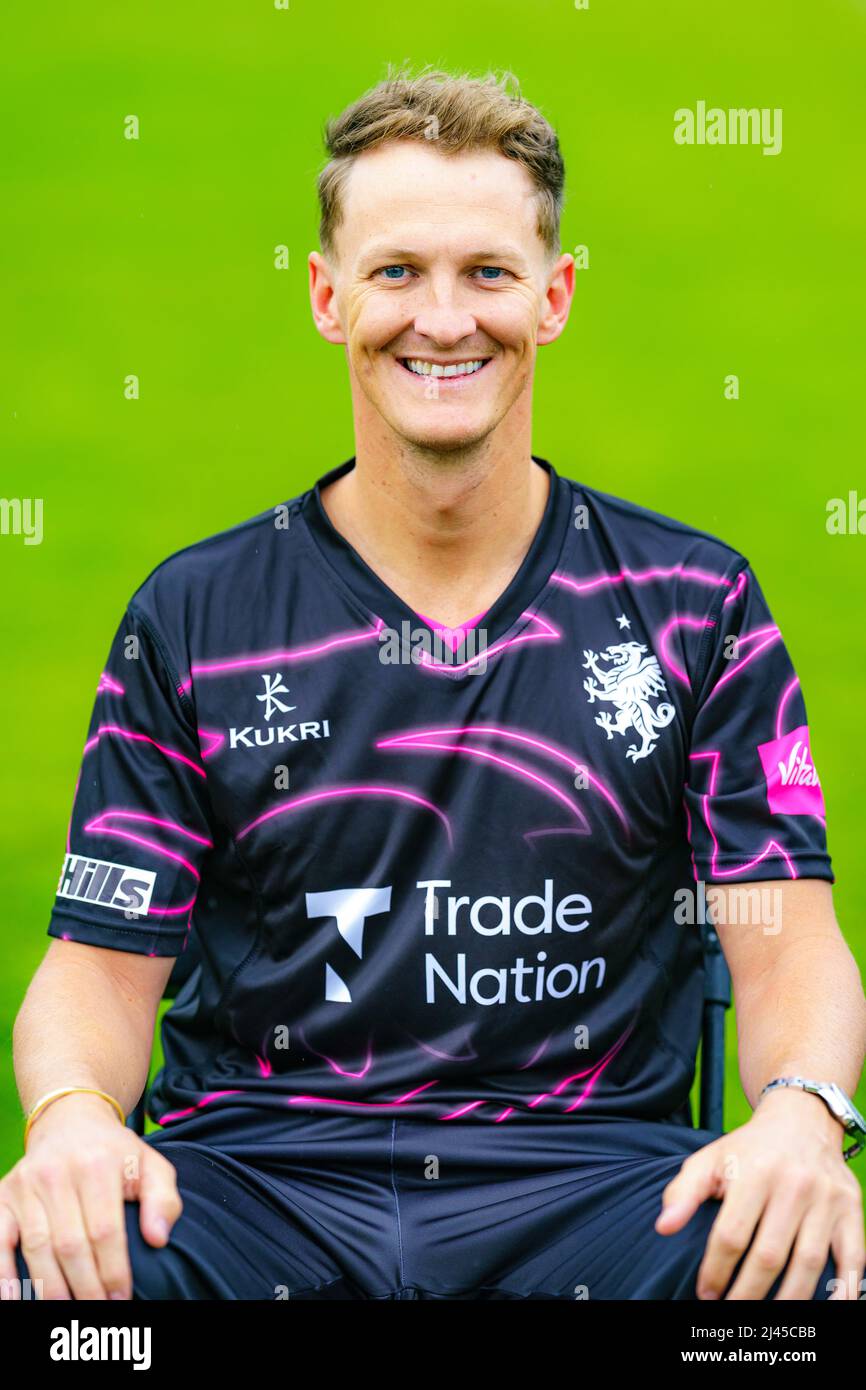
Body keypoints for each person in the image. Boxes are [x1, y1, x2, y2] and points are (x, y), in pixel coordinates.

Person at [4, 66, 865, 1302]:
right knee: (43, 1297)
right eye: (397, 270)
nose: (443, 319)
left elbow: (788, 944)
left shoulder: (695, 606)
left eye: (488, 273)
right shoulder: (194, 616)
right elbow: (95, 966)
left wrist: (796, 1115)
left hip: (600, 1190)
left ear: (554, 296)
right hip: (252, 1188)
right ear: (325, 294)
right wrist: (75, 1120)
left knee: (807, 1297)